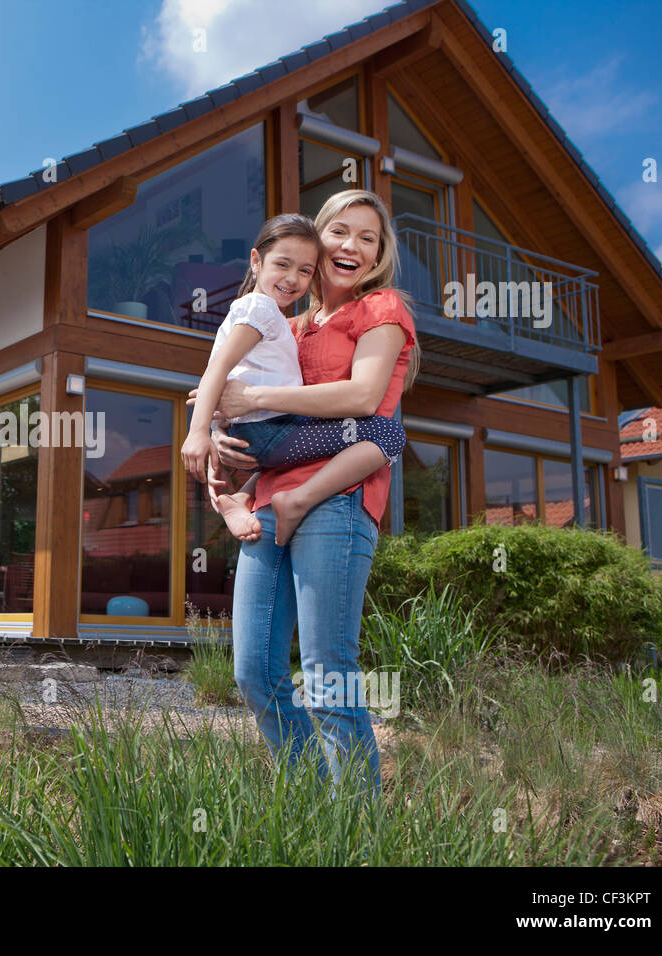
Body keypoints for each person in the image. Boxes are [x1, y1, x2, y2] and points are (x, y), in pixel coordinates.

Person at [190, 189, 420, 805]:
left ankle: (358, 822)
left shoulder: (381, 307)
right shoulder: (288, 323)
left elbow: (363, 398)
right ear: (318, 243)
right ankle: (314, 801)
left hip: (339, 498)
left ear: (378, 255)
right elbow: (233, 383)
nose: (351, 246)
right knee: (255, 672)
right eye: (339, 232)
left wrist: (253, 403)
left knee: (326, 673)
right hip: (267, 498)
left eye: (367, 238)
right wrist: (216, 431)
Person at [181, 213, 406, 547]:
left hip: (262, 429)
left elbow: (228, 374)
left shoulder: (262, 314)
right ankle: (297, 500)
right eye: (283, 265)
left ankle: (241, 498)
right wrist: (199, 432)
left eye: (305, 271)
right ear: (256, 261)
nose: (292, 279)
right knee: (387, 432)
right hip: (268, 431)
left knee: (318, 422)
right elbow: (217, 369)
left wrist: (218, 428)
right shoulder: (262, 310)